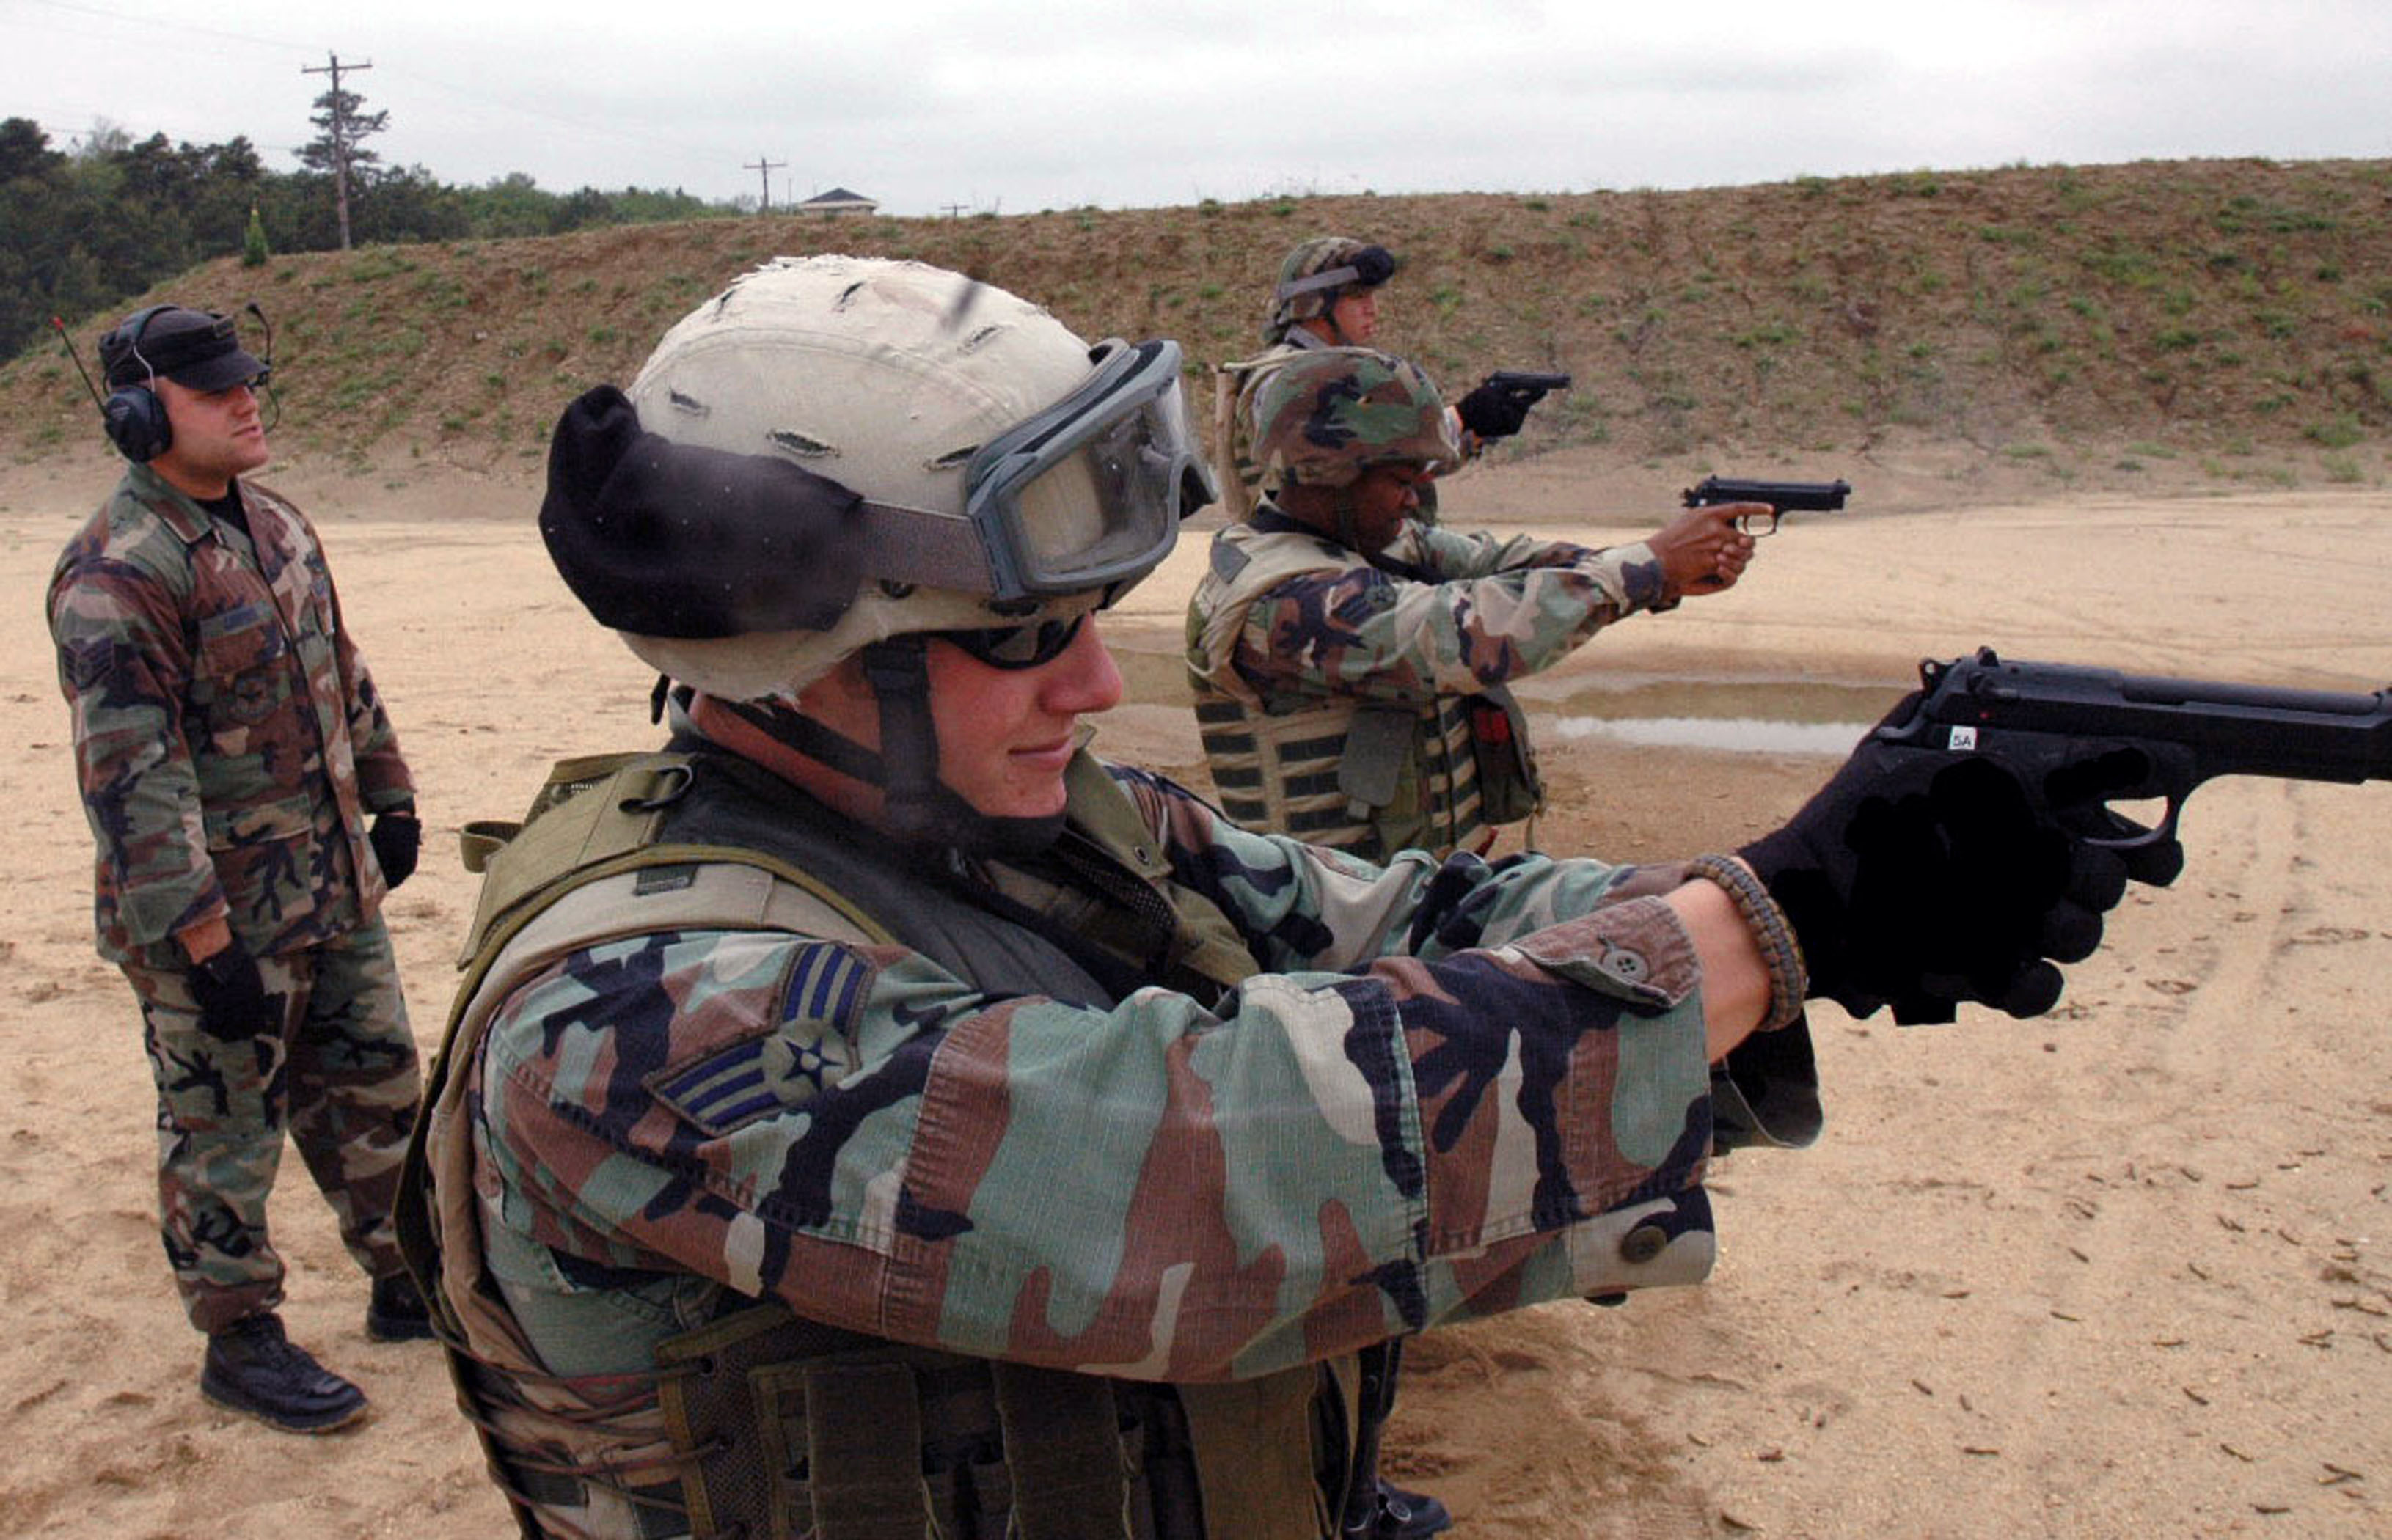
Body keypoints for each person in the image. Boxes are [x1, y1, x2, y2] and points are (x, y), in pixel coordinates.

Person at [396, 255, 2165, 1540]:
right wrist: (1753, 932)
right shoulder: (630, 1008)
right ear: (791, 642)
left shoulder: (1022, 831)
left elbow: (1386, 922)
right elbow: (1183, 1167)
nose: (1092, 691)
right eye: (1017, 639)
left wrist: (1824, 885)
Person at [47, 302, 433, 1436]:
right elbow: (132, 782)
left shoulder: (277, 525)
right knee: (223, 1124)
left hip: (329, 885)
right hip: (215, 919)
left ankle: (408, 1281)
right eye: (214, 389)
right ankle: (240, 1337)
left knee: (375, 1088)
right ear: (135, 415)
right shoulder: (120, 571)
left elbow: (342, 674)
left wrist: (393, 796)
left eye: (246, 380)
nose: (245, 400)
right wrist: (204, 939)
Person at [1186, 345, 1758, 863]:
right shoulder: (1283, 601)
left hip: (1403, 896)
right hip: (1331, 922)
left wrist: (1666, 570)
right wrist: (1647, 567)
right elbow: (1463, 631)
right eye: (1401, 480)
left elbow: (1497, 564)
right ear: (1327, 473)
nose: (1414, 501)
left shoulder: (1363, 542)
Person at [1211, 235, 1577, 522]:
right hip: (1309, 571)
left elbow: (1384, 468)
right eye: (1357, 296)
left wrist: (1472, 428)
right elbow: (1336, 462)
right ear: (1313, 305)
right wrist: (1456, 419)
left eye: (1371, 295)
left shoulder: (1335, 373)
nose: (1372, 308)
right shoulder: (1281, 378)